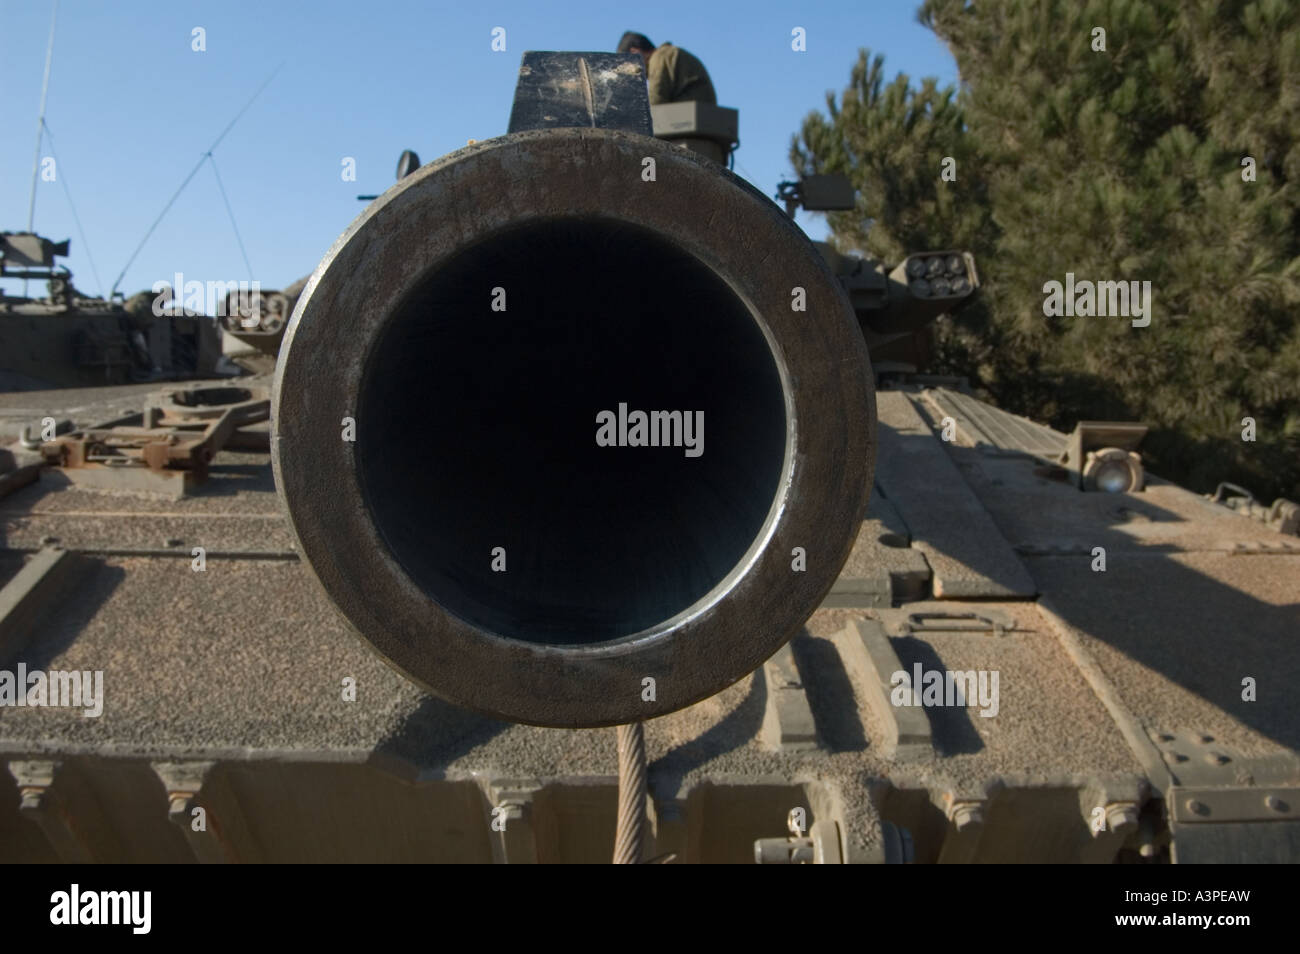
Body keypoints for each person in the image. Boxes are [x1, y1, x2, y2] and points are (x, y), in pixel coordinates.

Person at [616, 32, 716, 106]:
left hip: (688, 120)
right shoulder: (667, 54)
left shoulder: (660, 57)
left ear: (635, 53)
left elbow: (656, 101)